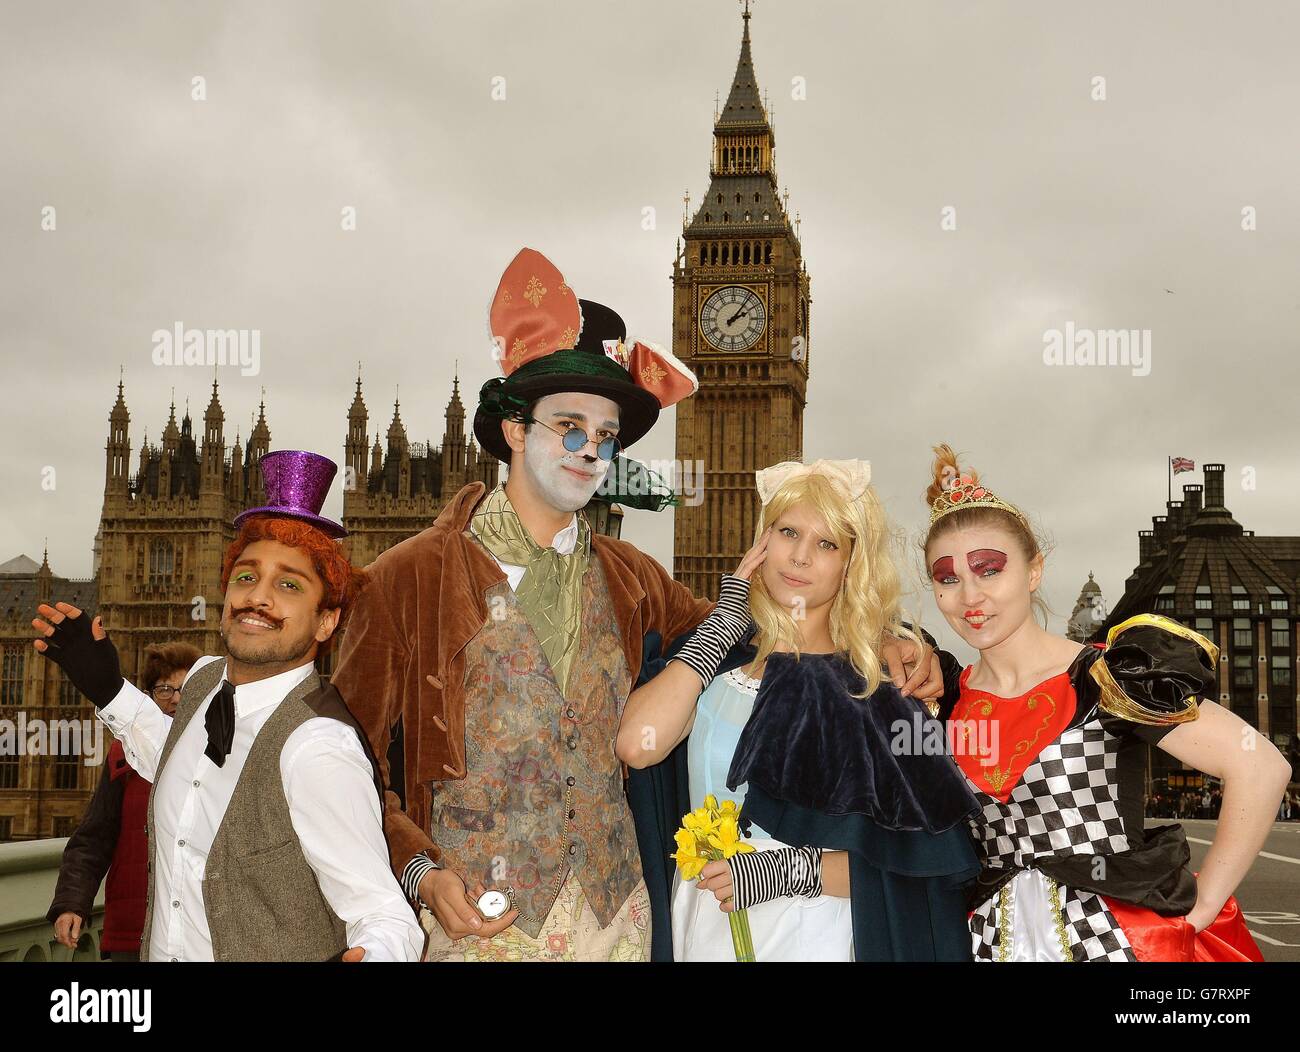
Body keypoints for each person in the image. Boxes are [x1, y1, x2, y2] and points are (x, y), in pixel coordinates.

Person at [328, 249, 950, 962]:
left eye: (604, 437)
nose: (587, 450)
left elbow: (770, 633)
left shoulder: (633, 578)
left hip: (623, 922)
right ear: (514, 430)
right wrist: (420, 871)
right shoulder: (407, 578)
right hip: (477, 926)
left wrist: (904, 639)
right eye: (568, 426)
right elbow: (345, 767)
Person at [34, 450, 424, 962]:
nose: (257, 597)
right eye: (246, 576)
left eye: (288, 585)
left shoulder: (318, 747)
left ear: (326, 622)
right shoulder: (201, 681)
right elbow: (184, 765)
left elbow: (384, 913)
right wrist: (108, 689)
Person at [922, 444, 1286, 961]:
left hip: (1110, 942)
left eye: (989, 570)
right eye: (948, 578)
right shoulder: (944, 699)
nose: (970, 597)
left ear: (1033, 571)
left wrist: (1203, 907)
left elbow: (1259, 764)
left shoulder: (1104, 677)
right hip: (983, 943)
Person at [618, 459, 979, 961]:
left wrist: (785, 872)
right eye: (788, 532)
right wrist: (722, 627)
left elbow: (923, 860)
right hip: (702, 921)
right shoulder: (718, 667)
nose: (802, 557)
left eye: (827, 544)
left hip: (809, 930)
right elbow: (637, 746)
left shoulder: (878, 688)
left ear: (851, 565)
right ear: (762, 542)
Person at [48, 642, 200, 960]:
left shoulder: (220, 756)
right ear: (146, 697)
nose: (175, 698)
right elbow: (94, 837)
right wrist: (71, 904)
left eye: (185, 689)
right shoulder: (123, 754)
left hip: (196, 935)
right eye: (164, 689)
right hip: (132, 931)